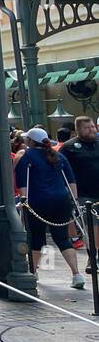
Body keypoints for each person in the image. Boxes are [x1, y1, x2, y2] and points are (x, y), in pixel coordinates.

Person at [15, 127, 85, 288]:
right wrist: (74, 200)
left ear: (31, 141)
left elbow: (21, 180)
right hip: (61, 201)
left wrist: (24, 199)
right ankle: (76, 274)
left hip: (38, 202)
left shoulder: (27, 156)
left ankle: (33, 272)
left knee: (37, 238)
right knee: (62, 238)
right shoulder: (58, 156)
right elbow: (71, 180)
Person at [61, 115, 99, 272]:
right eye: (87, 127)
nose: (91, 130)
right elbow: (61, 168)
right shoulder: (69, 147)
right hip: (84, 194)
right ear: (78, 130)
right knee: (92, 227)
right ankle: (93, 257)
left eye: (92, 127)